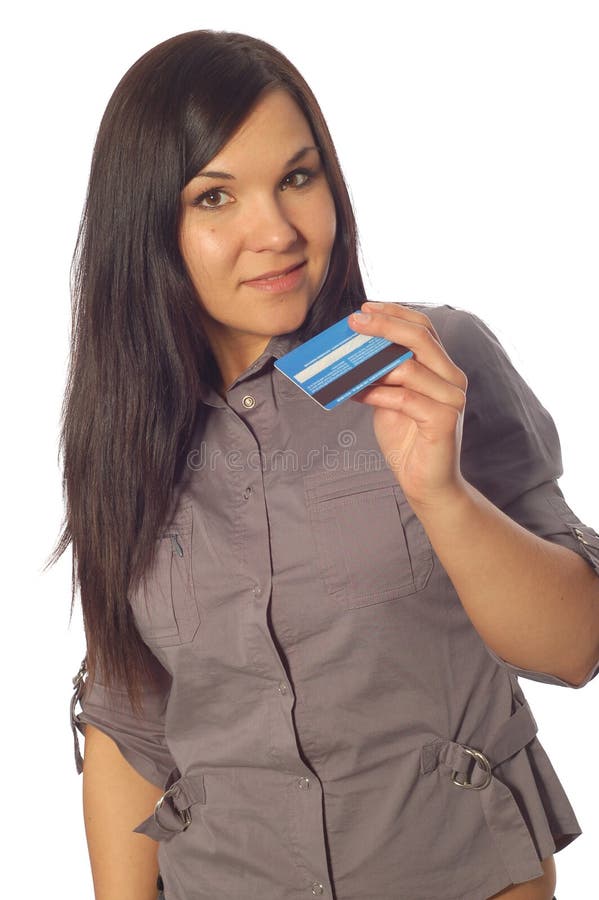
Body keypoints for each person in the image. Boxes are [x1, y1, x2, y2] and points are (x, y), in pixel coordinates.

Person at [55, 29, 599, 900]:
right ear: (147, 222)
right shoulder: (123, 435)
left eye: (296, 179)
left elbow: (577, 647)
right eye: (215, 197)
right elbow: (133, 721)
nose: (275, 231)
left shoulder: (427, 362)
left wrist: (442, 496)